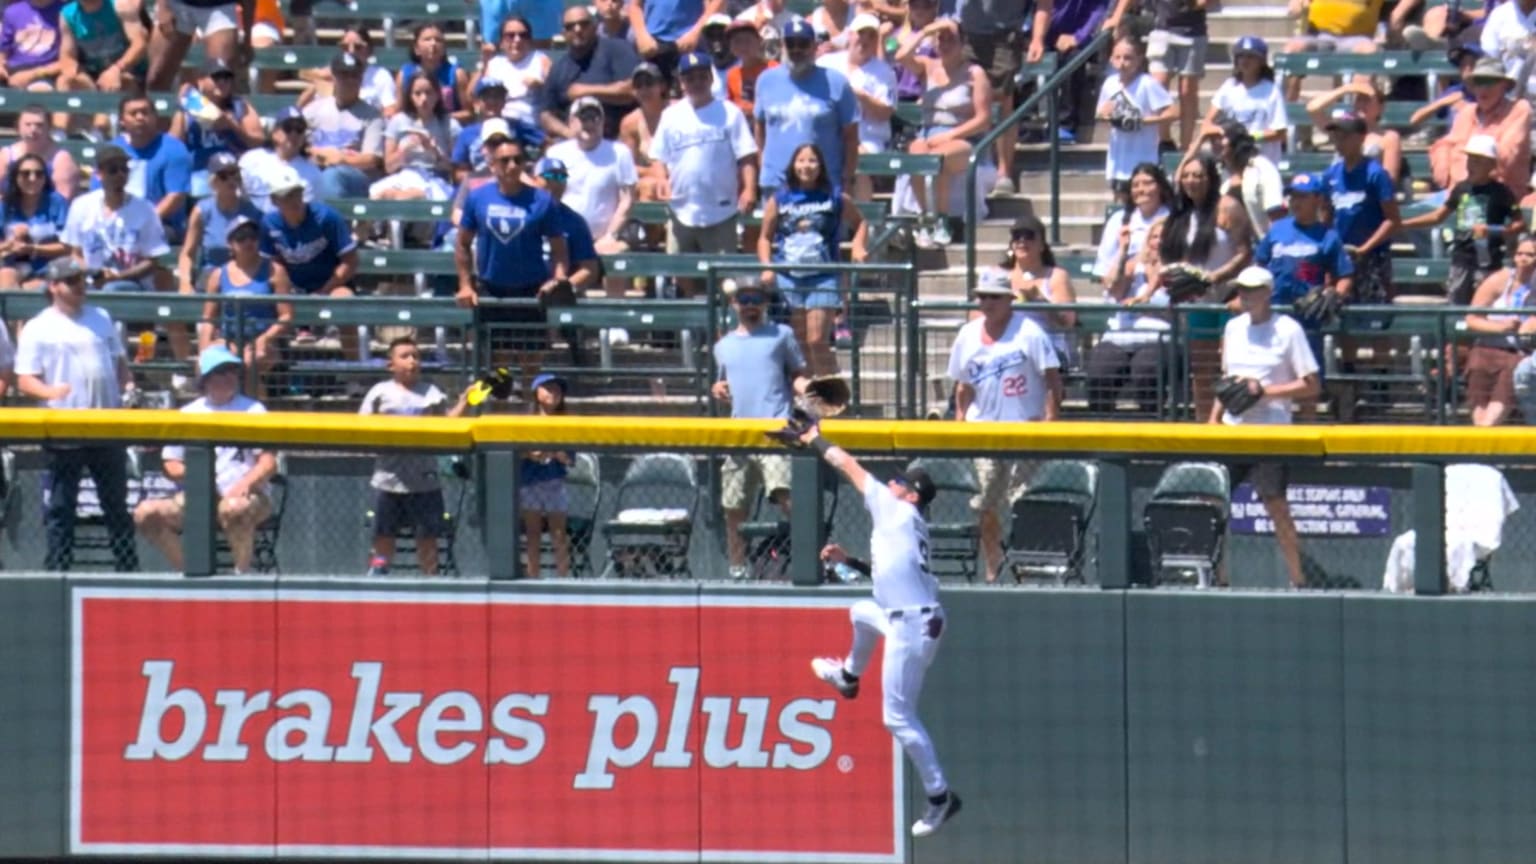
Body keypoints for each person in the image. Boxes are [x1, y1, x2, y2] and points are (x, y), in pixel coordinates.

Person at [797, 424, 960, 838]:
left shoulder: (896, 509)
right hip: (911, 613)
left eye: (901, 483)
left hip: (912, 626)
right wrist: (849, 561)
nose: (892, 483)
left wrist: (813, 437)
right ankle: (849, 677)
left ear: (913, 495)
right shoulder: (904, 521)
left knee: (896, 716)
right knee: (861, 611)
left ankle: (940, 796)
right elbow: (890, 577)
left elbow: (846, 463)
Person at [15, 257, 138, 572]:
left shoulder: (101, 317)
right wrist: (50, 393)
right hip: (64, 426)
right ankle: (58, 568)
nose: (80, 286)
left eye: (82, 279)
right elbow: (25, 378)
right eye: (72, 281)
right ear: (54, 286)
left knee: (116, 504)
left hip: (106, 424)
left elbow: (119, 361)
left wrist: (128, 386)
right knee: (61, 505)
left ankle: (127, 568)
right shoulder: (38, 326)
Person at [947, 266, 1061, 584]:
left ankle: (1023, 563)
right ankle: (994, 563)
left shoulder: (1029, 332)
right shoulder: (968, 334)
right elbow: (963, 384)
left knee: (1021, 499)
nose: (987, 303)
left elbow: (1052, 378)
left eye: (994, 297)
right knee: (986, 501)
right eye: (982, 297)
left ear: (1009, 299)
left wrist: (1051, 422)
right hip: (983, 431)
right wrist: (959, 420)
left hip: (1025, 429)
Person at [1212, 266, 1319, 588]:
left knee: (1275, 504)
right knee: (1214, 503)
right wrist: (1212, 419)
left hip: (1271, 430)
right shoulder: (1233, 328)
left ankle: (1298, 579)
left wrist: (1264, 391)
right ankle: (1217, 577)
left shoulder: (1288, 330)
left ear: (1268, 292)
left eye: (1253, 290)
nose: (1246, 296)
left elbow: (1312, 385)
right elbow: (1227, 381)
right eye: (1242, 290)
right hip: (1234, 429)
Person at [133, 345, 277, 574]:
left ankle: (242, 577)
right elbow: (170, 463)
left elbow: (268, 463)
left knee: (234, 508)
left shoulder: (253, 410)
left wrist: (243, 485)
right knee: (146, 513)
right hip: (199, 498)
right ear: (206, 379)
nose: (229, 377)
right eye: (221, 372)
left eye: (232, 371)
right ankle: (190, 573)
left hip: (248, 497)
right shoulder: (189, 413)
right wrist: (198, 478)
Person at [712, 276, 810, 580]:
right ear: (734, 304)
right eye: (745, 300)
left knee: (788, 498)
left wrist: (809, 389)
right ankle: (737, 568)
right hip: (739, 434)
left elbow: (797, 374)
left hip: (775, 430)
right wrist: (717, 388)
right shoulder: (723, 345)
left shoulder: (781, 334)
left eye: (757, 300)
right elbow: (722, 382)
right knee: (734, 506)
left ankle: (813, 557)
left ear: (765, 303)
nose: (751, 306)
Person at [360, 336, 470, 577]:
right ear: (391, 365)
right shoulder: (380, 392)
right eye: (405, 356)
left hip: (425, 480)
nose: (412, 361)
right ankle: (378, 578)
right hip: (388, 478)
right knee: (384, 535)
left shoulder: (431, 392)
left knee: (427, 537)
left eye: (416, 356)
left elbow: (447, 426)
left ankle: (430, 581)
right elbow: (363, 425)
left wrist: (463, 402)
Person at [455, 136, 570, 366]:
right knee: (497, 366)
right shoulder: (478, 198)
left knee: (532, 362)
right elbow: (462, 243)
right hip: (492, 290)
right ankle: (495, 402)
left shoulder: (541, 201)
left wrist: (557, 280)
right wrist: (466, 285)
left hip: (531, 291)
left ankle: (531, 402)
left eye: (518, 160)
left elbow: (559, 248)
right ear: (492, 165)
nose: (512, 166)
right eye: (505, 160)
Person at [651, 50, 759, 292]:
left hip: (721, 209)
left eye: (702, 76)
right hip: (681, 208)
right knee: (680, 273)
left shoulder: (730, 113)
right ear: (681, 83)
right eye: (690, 78)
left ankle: (721, 327)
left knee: (725, 278)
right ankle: (690, 322)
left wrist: (749, 189)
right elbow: (658, 156)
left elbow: (747, 156)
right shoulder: (670, 116)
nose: (696, 83)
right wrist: (661, 179)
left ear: (711, 78)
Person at [758, 141, 868, 376]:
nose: (806, 166)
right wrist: (767, 267)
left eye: (812, 160)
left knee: (817, 339)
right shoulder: (779, 199)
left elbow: (860, 222)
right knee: (799, 342)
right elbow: (764, 237)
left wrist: (858, 246)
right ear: (793, 165)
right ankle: (810, 395)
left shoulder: (835, 197)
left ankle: (834, 390)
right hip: (789, 277)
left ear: (821, 166)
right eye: (801, 160)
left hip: (823, 276)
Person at [1253, 172, 1352, 418]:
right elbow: (1258, 266)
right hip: (1273, 316)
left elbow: (1345, 275)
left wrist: (1335, 294)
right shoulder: (1277, 231)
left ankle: (1306, 436)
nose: (1296, 202)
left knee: (1308, 381)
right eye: (1293, 196)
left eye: (1303, 197)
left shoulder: (1328, 237)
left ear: (1317, 199)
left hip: (1307, 319)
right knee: (1272, 375)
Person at [895, 16, 991, 248]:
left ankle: (942, 221)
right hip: (928, 133)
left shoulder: (974, 73)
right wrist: (927, 30)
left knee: (938, 159)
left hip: (962, 136)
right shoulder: (927, 66)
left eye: (951, 39)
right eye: (941, 39)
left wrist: (950, 135)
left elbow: (983, 119)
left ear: (963, 43)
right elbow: (900, 56)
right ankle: (927, 218)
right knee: (916, 155)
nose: (945, 44)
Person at [1401, 135, 1520, 305]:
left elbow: (1519, 224)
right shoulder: (1462, 188)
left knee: (1484, 303)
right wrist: (1404, 224)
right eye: (1470, 160)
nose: (1471, 165)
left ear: (1491, 165)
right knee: (1457, 300)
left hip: (1489, 260)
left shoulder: (1502, 193)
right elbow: (1438, 216)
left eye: (1478, 161)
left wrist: (1494, 230)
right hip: (1462, 257)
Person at [754, 18, 857, 193]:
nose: (796, 49)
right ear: (782, 45)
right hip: (777, 185)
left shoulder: (836, 82)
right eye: (790, 43)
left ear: (814, 46)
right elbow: (760, 127)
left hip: (823, 184)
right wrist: (764, 167)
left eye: (803, 44)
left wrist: (847, 177)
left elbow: (851, 137)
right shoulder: (765, 80)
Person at [1085, 217, 1173, 414]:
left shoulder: (1178, 268)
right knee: (1100, 371)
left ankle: (1152, 427)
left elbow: (1173, 303)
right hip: (1122, 334)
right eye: (1154, 236)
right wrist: (1123, 251)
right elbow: (1114, 289)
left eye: (1164, 237)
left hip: (1160, 337)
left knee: (1146, 371)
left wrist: (1145, 297)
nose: (1158, 242)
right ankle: (1101, 427)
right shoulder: (1133, 264)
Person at [546, 95, 637, 281]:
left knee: (615, 254)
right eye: (583, 118)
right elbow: (549, 195)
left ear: (602, 122)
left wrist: (610, 235)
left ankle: (615, 309)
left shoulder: (620, 153)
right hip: (563, 236)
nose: (589, 123)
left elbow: (627, 200)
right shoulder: (556, 153)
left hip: (604, 236)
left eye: (594, 118)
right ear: (571, 122)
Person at [957, 0, 1043, 194]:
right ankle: (969, 167)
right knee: (963, 98)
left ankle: (1003, 172)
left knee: (1001, 99)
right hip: (966, 32)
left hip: (1004, 35)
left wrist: (1038, 38)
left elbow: (1044, 4)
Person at [199, 216, 291, 392]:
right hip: (228, 338)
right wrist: (204, 349)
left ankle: (253, 415)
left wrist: (264, 339)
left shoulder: (275, 271)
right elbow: (208, 318)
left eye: (253, 236)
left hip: (265, 341)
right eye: (241, 237)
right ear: (230, 244)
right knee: (212, 361)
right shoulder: (218, 275)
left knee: (248, 366)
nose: (248, 241)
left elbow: (286, 316)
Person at [63, 144, 172, 293]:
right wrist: (94, 273)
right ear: (99, 174)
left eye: (124, 169)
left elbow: (152, 260)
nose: (120, 175)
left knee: (111, 289)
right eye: (113, 170)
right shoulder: (81, 205)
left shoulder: (145, 209)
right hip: (89, 280)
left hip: (131, 282)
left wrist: (118, 276)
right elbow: (75, 254)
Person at [1106, 0, 1208, 150]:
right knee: (1157, 85)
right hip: (1161, 29)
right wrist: (1117, 17)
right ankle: (1163, 141)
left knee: (1188, 90)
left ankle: (1186, 147)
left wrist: (1194, 3)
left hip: (1193, 32)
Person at [815, 13, 895, 201]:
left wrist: (859, 94)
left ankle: (861, 221)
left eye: (871, 36)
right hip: (829, 133)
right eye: (861, 34)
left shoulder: (884, 72)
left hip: (868, 137)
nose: (865, 40)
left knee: (856, 161)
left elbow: (885, 113)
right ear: (850, 35)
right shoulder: (826, 63)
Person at [1462, 234, 1536, 426]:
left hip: (1518, 353)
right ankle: (1481, 451)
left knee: (1493, 415)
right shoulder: (1499, 279)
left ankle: (1482, 450)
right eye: (1519, 253)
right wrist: (1501, 327)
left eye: (1530, 254)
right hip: (1486, 349)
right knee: (1479, 415)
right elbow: (1471, 318)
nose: (1523, 258)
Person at [1430, 56, 1530, 198]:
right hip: (1456, 193)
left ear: (1504, 86)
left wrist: (1462, 161)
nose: (1484, 88)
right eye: (1479, 82)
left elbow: (1505, 156)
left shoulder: (1518, 110)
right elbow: (1445, 144)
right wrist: (1444, 171)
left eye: (1490, 81)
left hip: (1500, 197)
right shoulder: (1467, 112)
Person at [541, 5, 640, 141]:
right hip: (575, 141)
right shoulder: (559, 67)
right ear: (564, 33)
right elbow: (545, 114)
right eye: (570, 26)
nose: (577, 29)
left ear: (594, 26)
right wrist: (569, 133)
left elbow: (633, 90)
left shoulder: (617, 49)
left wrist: (586, 91)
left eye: (583, 24)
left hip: (616, 138)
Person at [1096, 35, 1175, 206]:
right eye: (1117, 57)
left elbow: (1172, 111)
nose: (1122, 63)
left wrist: (1145, 121)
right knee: (1120, 204)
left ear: (1139, 60)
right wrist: (1106, 115)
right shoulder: (1110, 84)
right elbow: (1101, 113)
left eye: (1128, 58)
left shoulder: (1147, 84)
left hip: (1143, 157)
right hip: (1118, 159)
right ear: (1111, 59)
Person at [170, 58, 264, 199]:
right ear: (201, 81)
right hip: (199, 171)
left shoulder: (239, 105)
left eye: (227, 78)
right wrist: (182, 107)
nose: (223, 82)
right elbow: (173, 144)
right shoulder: (191, 106)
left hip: (232, 171)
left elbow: (258, 141)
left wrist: (233, 126)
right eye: (217, 77)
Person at [1187, 36, 1286, 166]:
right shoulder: (1229, 86)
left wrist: (1250, 137)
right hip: (1232, 162)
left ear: (1261, 61)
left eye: (1251, 56)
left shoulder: (1271, 90)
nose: (1245, 61)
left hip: (1262, 161)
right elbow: (1207, 123)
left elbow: (1279, 132)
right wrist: (1225, 134)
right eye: (1241, 56)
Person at [55, 0, 147, 135]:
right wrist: (72, 71)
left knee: (115, 82)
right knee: (64, 81)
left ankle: (98, 132)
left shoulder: (120, 6)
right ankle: (59, 134)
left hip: (127, 72)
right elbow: (67, 55)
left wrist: (117, 69)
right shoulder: (67, 14)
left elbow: (140, 44)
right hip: (94, 75)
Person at [305, 51, 387, 201]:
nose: (350, 80)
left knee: (332, 175)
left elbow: (371, 160)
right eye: (344, 75)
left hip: (354, 178)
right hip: (316, 169)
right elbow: (299, 145)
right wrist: (323, 156)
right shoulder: (313, 110)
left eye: (354, 75)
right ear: (334, 78)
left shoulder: (372, 115)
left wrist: (341, 159)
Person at [111, 93, 192, 243]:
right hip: (117, 219)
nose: (140, 117)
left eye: (145, 112)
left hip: (161, 224)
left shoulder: (174, 149)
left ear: (155, 117)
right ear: (122, 121)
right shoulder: (112, 150)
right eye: (133, 113)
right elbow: (99, 192)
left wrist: (141, 223)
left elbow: (176, 197)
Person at [177, 152, 261, 294]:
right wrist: (185, 282)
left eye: (234, 174)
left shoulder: (251, 210)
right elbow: (187, 253)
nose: (231, 180)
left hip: (245, 273)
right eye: (223, 176)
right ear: (214, 181)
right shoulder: (202, 210)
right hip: (211, 275)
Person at [372, 70, 460, 202]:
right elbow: (388, 167)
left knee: (411, 196)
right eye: (417, 93)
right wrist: (403, 151)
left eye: (428, 92)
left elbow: (455, 168)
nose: (424, 98)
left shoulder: (449, 124)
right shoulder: (398, 121)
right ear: (410, 97)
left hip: (435, 178)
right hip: (405, 175)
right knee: (376, 193)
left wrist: (434, 152)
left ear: (437, 95)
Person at [519, 371, 574, 578]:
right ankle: (533, 577)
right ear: (536, 393)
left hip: (554, 482)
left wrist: (556, 452)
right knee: (533, 534)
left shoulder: (565, 422)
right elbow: (519, 452)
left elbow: (570, 459)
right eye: (548, 388)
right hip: (530, 482)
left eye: (558, 389)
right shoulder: (527, 422)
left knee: (558, 534)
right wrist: (531, 453)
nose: (554, 393)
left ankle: (563, 578)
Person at [1005, 213, 1078, 368]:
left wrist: (1040, 303)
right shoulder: (999, 277)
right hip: (1007, 346)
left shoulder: (1056, 276)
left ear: (1041, 245)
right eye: (1017, 236)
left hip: (1048, 349)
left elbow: (1067, 322)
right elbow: (976, 316)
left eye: (1029, 236)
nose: (1022, 241)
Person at [0, 152, 69, 290]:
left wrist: (33, 249)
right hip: (13, 265)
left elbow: (67, 246)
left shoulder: (57, 203)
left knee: (36, 286)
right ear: (16, 177)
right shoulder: (5, 205)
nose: (33, 178)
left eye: (39, 174)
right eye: (26, 174)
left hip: (49, 267)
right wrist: (10, 244)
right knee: (6, 275)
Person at [145, 0, 248, 91]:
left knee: (219, 81)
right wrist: (164, 7)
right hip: (177, 4)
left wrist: (247, 38)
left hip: (220, 6)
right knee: (156, 78)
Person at [474, 14, 551, 126]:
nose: (517, 39)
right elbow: (473, 95)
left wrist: (541, 86)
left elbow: (556, 93)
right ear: (501, 42)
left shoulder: (540, 59)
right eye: (510, 36)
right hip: (499, 123)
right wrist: (484, 62)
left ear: (529, 40)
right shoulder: (494, 63)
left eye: (523, 35)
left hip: (530, 124)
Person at [0, 104, 79, 199]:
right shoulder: (7, 155)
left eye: (39, 125)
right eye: (28, 124)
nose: (33, 130)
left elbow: (63, 199)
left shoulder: (61, 159)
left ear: (49, 127)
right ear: (18, 127)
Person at [397, 22, 470, 123]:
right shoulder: (405, 74)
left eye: (438, 40)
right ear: (416, 49)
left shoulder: (457, 74)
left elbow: (469, 113)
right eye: (427, 39)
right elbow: (400, 112)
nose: (433, 44)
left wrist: (440, 119)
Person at [628, 0, 714, 81]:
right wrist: (642, 36)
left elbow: (716, 3)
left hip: (688, 46)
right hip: (653, 46)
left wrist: (695, 33)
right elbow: (635, 6)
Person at [0, 0, 65, 91]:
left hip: (46, 71)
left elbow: (69, 61)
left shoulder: (65, 12)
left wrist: (32, 74)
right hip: (13, 69)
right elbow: (3, 51)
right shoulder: (12, 12)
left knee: (40, 89)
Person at [724, 16, 774, 116]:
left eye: (748, 40)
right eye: (737, 41)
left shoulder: (773, 69)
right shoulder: (732, 74)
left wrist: (753, 110)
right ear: (731, 47)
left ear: (759, 41)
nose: (743, 46)